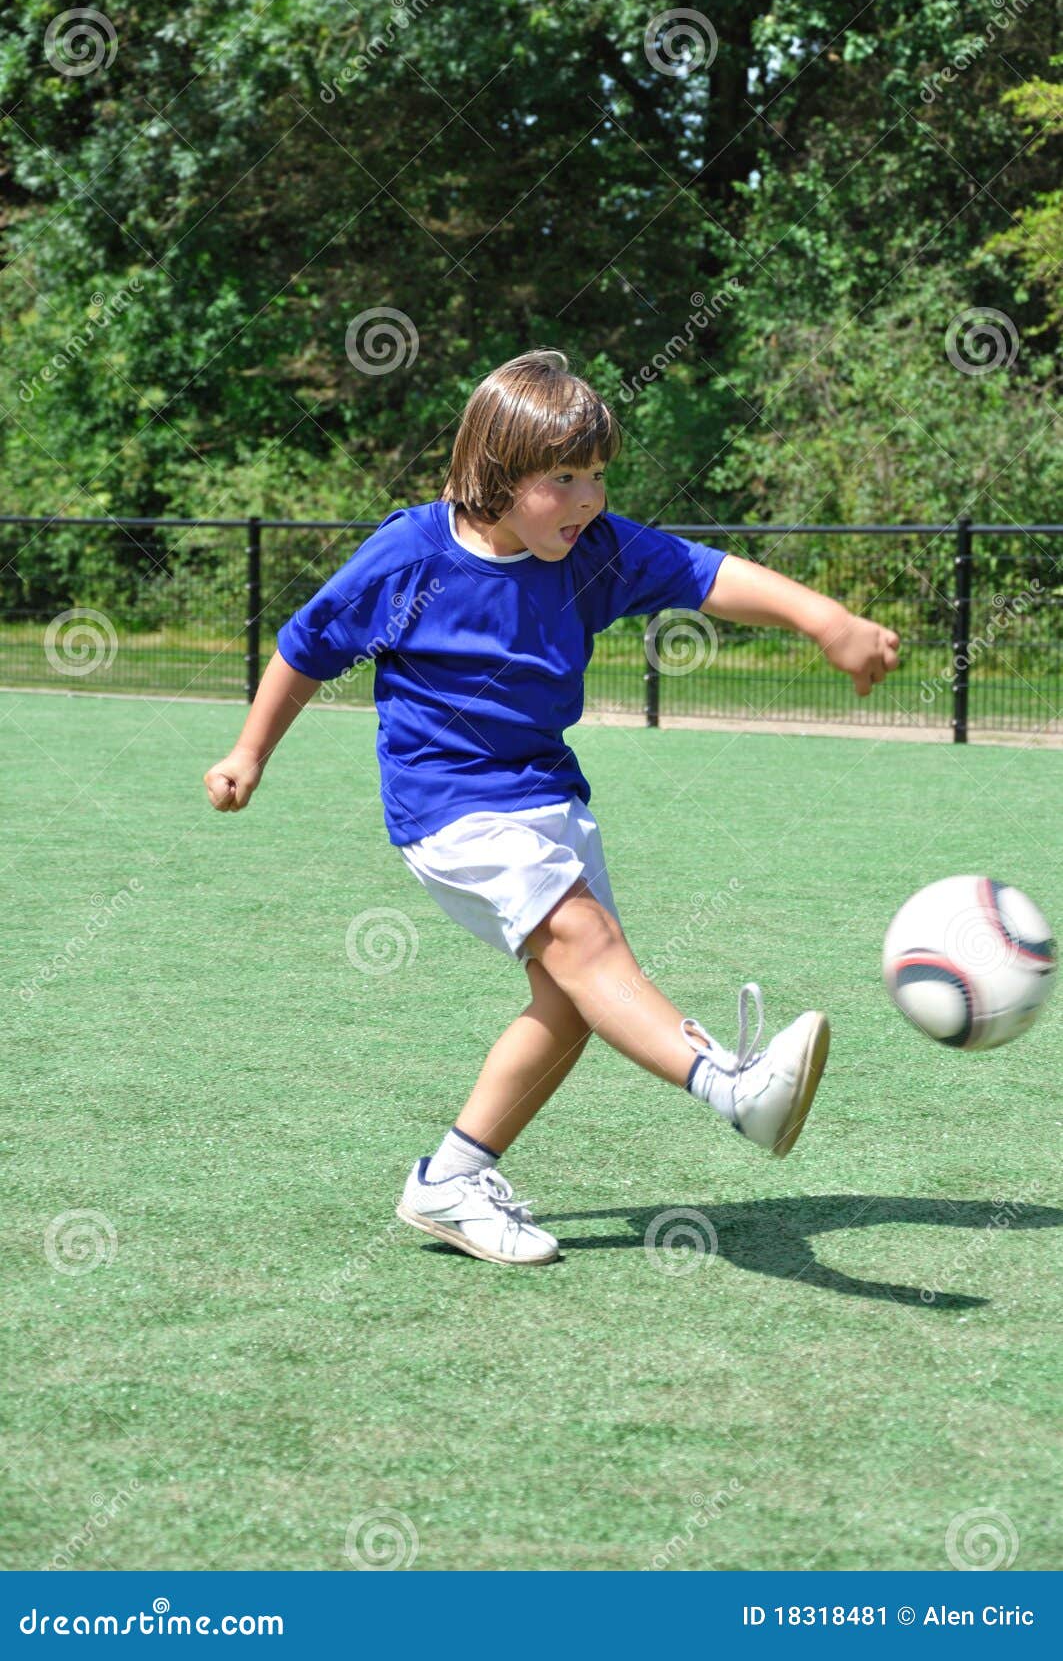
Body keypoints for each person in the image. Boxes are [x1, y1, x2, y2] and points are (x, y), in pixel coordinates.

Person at [203, 349, 900, 1267]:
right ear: (494, 474)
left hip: (546, 795)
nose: (586, 499)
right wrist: (249, 752)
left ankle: (451, 1181)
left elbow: (708, 574)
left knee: (573, 1001)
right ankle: (729, 1087)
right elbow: (306, 648)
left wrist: (828, 622)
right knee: (586, 948)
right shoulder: (409, 556)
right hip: (449, 805)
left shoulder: (594, 552)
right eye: (562, 478)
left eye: (598, 475)